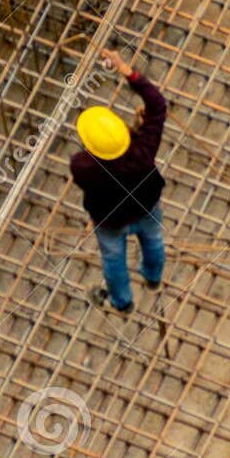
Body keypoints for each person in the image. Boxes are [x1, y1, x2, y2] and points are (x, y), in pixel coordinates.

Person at [70, 49, 167, 314]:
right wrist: (125, 69)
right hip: (146, 207)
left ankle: (122, 303)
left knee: (113, 260)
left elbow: (97, 170)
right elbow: (158, 105)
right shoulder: (142, 151)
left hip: (109, 220)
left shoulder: (82, 166)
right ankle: (153, 278)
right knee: (154, 239)